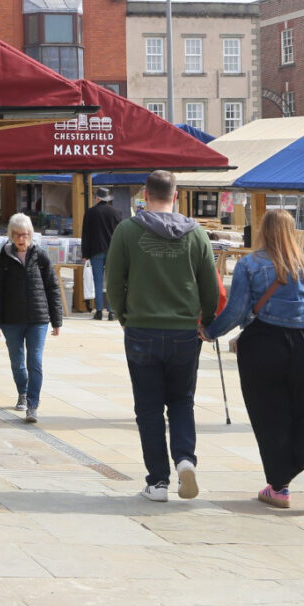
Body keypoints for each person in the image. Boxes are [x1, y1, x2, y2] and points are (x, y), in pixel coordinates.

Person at [204, 210, 304, 510]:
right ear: (292, 231)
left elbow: (236, 310)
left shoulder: (250, 264)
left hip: (266, 344)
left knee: (270, 415)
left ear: (263, 230)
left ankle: (280, 488)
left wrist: (211, 331)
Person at [105, 170, 220, 503]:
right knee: (182, 401)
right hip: (185, 330)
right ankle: (185, 458)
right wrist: (207, 321)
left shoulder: (127, 230)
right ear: (177, 194)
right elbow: (209, 286)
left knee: (149, 408)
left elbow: (114, 281)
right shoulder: (197, 234)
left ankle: (157, 482)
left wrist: (124, 315)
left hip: (142, 328)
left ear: (144, 193)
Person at [0, 213, 64, 424]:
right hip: (11, 319)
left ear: (31, 235)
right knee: (17, 361)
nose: (22, 239)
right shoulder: (3, 258)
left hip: (37, 318)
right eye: (18, 235)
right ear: (11, 236)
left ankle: (32, 405)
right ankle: (22, 391)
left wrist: (56, 320)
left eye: (26, 234)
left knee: (35, 361)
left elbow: (53, 288)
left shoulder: (41, 256)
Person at [81, 188, 123, 321]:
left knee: (98, 281)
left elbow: (86, 234)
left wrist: (85, 253)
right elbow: (120, 234)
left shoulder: (90, 212)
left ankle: (98, 311)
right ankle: (111, 312)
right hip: (113, 251)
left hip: (96, 251)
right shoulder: (117, 213)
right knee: (111, 282)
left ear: (98, 198)